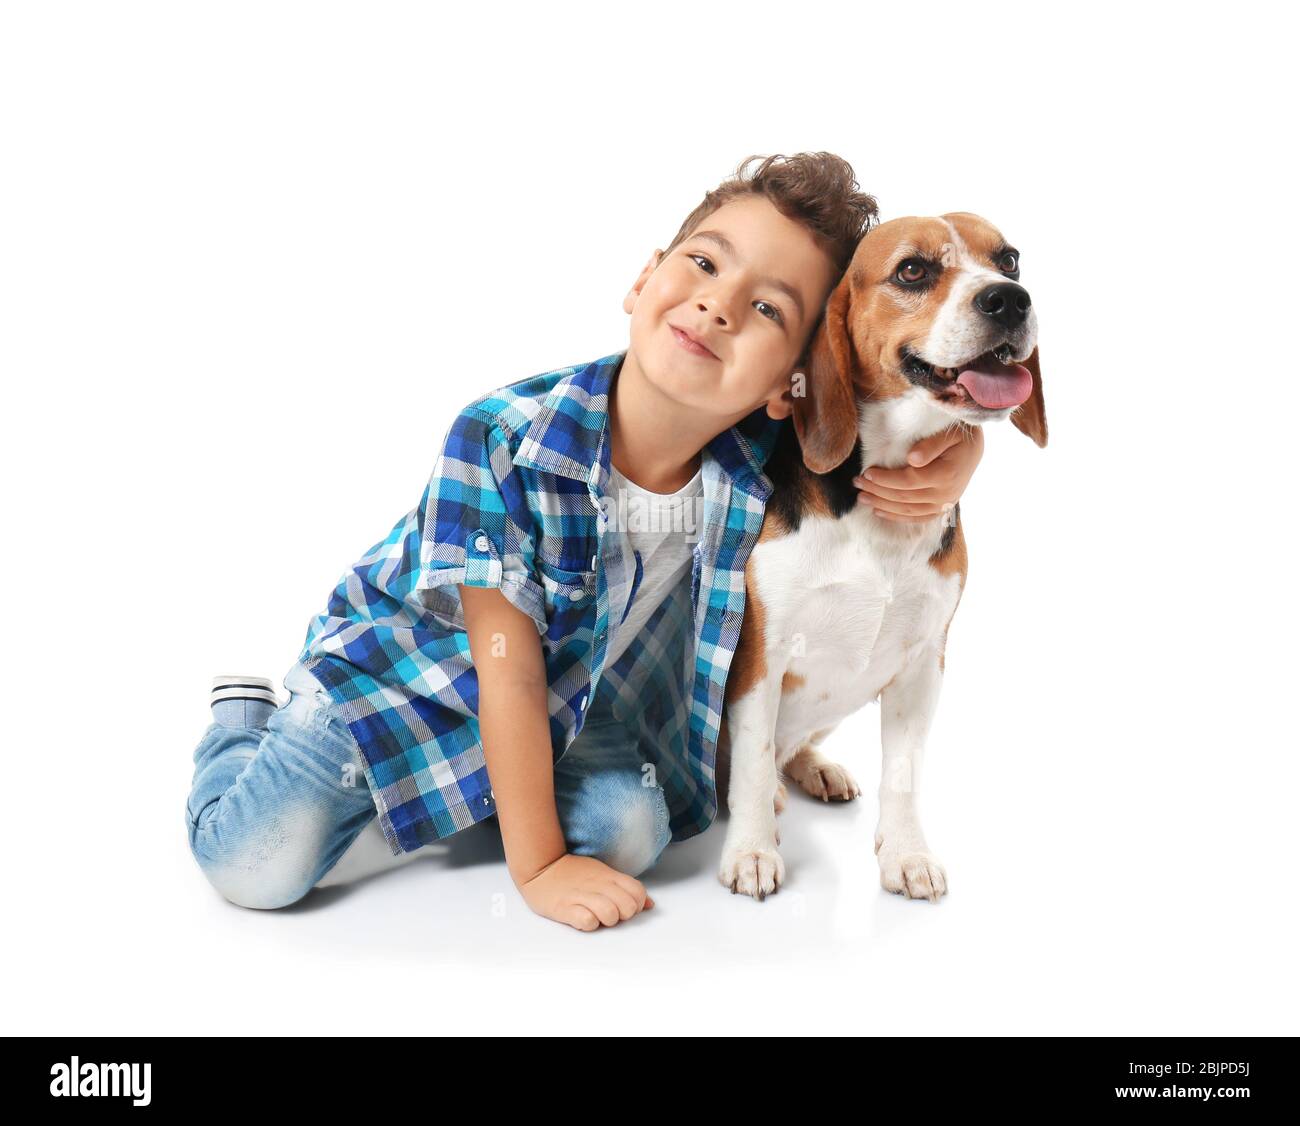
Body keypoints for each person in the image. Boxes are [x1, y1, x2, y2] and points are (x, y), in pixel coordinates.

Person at [185, 152, 985, 931]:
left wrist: (961, 455)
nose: (718, 307)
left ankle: (498, 786)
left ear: (792, 384)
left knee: (631, 834)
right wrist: (538, 869)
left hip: (571, 704)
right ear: (645, 277)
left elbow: (870, 410)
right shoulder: (501, 437)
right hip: (398, 690)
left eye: (769, 309)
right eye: (705, 264)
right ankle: (244, 723)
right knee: (257, 865)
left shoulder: (750, 458)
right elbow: (507, 674)